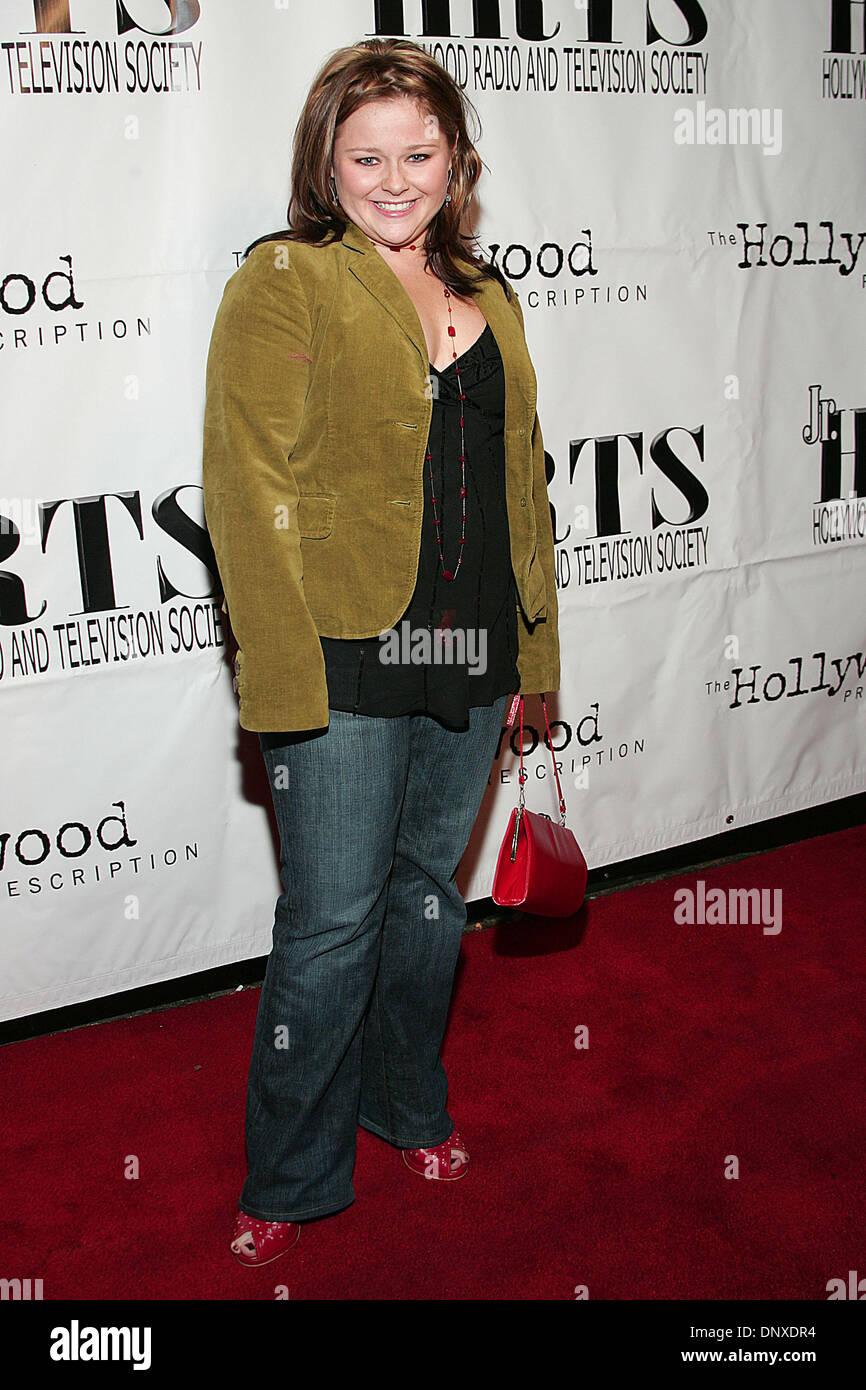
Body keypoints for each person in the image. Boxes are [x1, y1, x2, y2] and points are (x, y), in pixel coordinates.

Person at [201, 37, 560, 1268]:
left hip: (468, 646)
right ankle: (290, 1175)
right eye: (367, 156)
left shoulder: (492, 297)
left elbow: (524, 485)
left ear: (455, 158)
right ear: (326, 161)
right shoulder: (287, 280)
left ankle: (404, 1102)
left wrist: (534, 658)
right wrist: (280, 683)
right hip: (342, 655)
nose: (395, 178)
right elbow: (246, 489)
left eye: (418, 152)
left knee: (424, 906)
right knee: (331, 923)